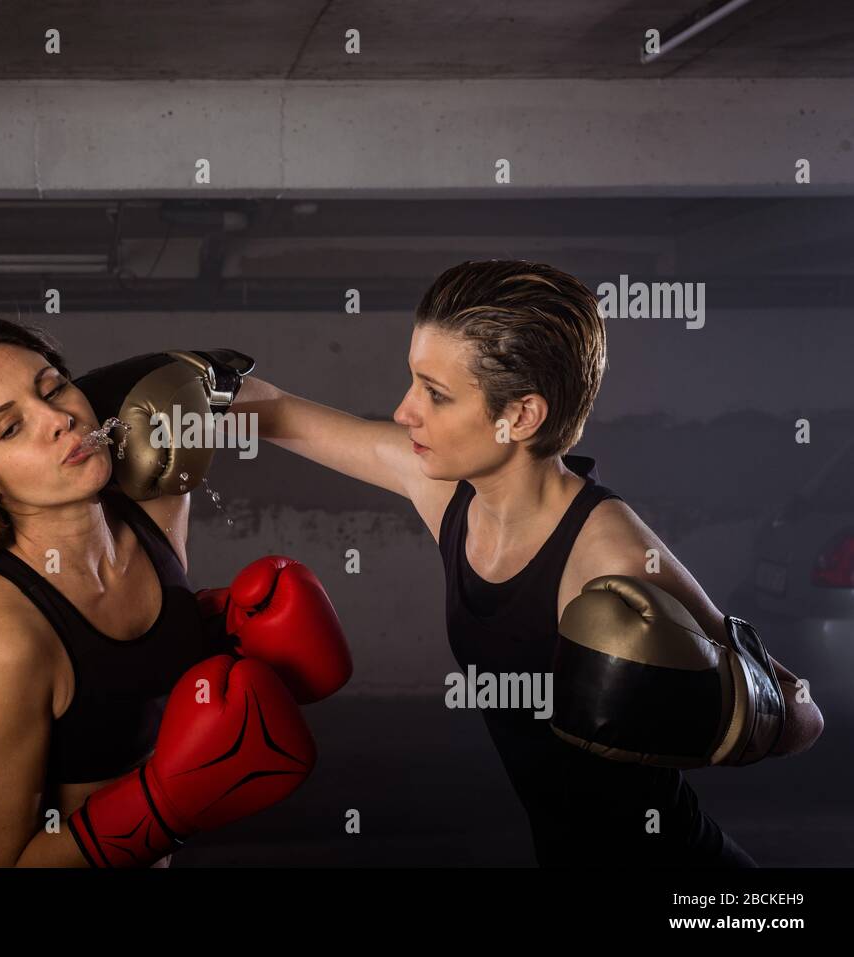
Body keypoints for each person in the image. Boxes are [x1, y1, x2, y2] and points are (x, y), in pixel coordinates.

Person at [230, 259, 824, 866]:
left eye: (435, 394)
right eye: (414, 380)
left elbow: (802, 714)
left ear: (520, 416)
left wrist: (721, 709)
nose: (405, 410)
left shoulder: (610, 556)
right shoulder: (447, 491)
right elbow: (278, 413)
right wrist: (184, 390)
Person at [0, 317, 350, 867]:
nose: (58, 419)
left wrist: (222, 626)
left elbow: (202, 380)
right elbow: (6, 864)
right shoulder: (5, 634)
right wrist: (164, 806)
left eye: (53, 387)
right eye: (9, 428)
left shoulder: (156, 507)